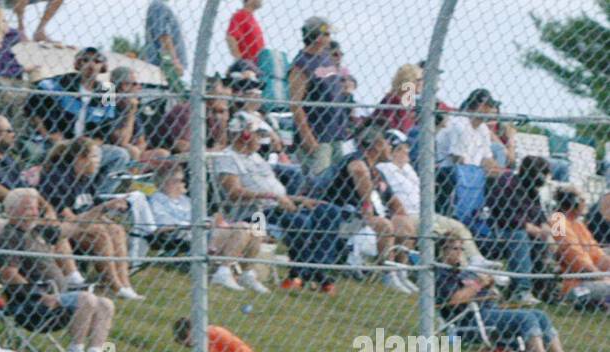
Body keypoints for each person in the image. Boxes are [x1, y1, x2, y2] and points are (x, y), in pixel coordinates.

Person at [0, 187, 119, 352]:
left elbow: (77, 226)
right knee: (85, 298)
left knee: (106, 304)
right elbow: (8, 274)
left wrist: (104, 207)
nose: (34, 212)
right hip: (32, 305)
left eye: (35, 207)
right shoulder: (10, 237)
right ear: (11, 211)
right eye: (27, 208)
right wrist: (39, 295)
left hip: (59, 299)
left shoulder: (38, 232)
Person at [214, 112, 345, 291]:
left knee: (329, 212)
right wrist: (274, 197)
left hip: (277, 205)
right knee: (300, 222)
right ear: (245, 135)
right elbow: (234, 193)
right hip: (254, 212)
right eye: (258, 136)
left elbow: (275, 191)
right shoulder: (227, 157)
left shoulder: (256, 157)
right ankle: (298, 276)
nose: (261, 141)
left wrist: (298, 200)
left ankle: (319, 271)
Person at [435, 235, 574, 352]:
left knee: (540, 315)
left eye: (461, 248)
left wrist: (489, 287)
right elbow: (454, 300)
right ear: (443, 250)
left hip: (489, 311)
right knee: (526, 318)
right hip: (470, 318)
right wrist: (479, 284)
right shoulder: (442, 274)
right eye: (454, 248)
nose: (459, 252)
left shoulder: (465, 272)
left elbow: (481, 289)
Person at [375, 126, 501, 276]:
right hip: (407, 215)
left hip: (425, 212)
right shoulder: (384, 168)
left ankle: (476, 260)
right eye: (402, 148)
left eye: (407, 147)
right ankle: (468, 275)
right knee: (448, 237)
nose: (407, 151)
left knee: (458, 226)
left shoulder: (408, 168)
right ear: (393, 151)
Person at [38, 136, 144, 300]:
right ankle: (114, 285)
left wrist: (108, 213)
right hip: (62, 226)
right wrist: (105, 208)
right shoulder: (58, 177)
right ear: (80, 158)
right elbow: (70, 218)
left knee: (116, 229)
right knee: (99, 232)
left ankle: (125, 283)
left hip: (82, 222)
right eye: (94, 157)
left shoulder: (86, 179)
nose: (98, 162)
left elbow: (91, 209)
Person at [319, 124, 418, 293]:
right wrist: (367, 205)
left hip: (369, 219)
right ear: (377, 144)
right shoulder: (356, 159)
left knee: (405, 224)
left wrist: (402, 215)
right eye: (387, 144)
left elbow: (394, 201)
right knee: (385, 226)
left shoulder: (378, 171)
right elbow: (357, 170)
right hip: (345, 217)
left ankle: (401, 272)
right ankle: (388, 274)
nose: (389, 148)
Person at [144, 160, 270, 293]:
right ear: (166, 183)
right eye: (178, 180)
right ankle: (224, 271)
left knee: (255, 230)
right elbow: (164, 225)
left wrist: (211, 220)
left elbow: (201, 218)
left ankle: (246, 272)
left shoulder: (185, 201)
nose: (182, 183)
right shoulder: (157, 200)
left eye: (182, 180)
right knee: (244, 228)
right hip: (185, 235)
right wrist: (196, 225)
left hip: (205, 231)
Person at [26, 47, 131, 192]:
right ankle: (75, 200)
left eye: (97, 61)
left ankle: (98, 198)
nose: (91, 65)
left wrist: (89, 148)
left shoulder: (107, 91)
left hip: (88, 145)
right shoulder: (59, 83)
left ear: (103, 66)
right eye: (85, 60)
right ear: (78, 64)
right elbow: (34, 108)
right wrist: (51, 136)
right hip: (58, 143)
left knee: (119, 155)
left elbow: (106, 127)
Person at [486, 154, 552, 306]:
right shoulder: (507, 183)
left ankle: (544, 289)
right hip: (498, 229)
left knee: (546, 238)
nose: (545, 179)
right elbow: (509, 218)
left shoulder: (531, 190)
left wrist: (544, 226)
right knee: (519, 235)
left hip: (523, 229)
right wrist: (533, 229)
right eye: (544, 174)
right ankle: (521, 290)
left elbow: (539, 214)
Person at [288, 16, 350, 176]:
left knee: (337, 180)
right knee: (319, 181)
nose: (330, 38)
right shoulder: (301, 64)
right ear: (317, 37)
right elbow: (296, 104)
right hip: (317, 135)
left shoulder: (325, 57)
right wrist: (308, 139)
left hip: (334, 133)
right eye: (327, 34)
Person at [550, 187, 610, 310]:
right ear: (573, 202)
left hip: (594, 279)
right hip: (574, 286)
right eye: (582, 200)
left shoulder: (577, 223)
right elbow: (577, 260)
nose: (585, 203)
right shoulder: (558, 221)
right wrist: (603, 277)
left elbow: (597, 255)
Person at [440, 88, 507, 176]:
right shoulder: (460, 124)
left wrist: (499, 173)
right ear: (480, 107)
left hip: (471, 173)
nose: (494, 110)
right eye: (490, 106)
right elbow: (458, 160)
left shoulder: (483, 128)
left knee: (504, 178)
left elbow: (487, 159)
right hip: (448, 173)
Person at [144, 0, 185, 83]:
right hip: (166, 68)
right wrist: (174, 61)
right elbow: (163, 36)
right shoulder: (158, 5)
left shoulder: (160, 5)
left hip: (165, 67)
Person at [226, 0, 265, 64]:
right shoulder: (240, 15)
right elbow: (231, 37)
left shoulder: (251, 18)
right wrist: (240, 62)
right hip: (248, 66)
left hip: (256, 65)